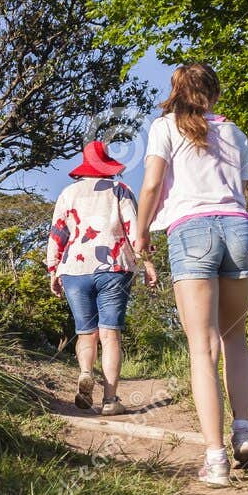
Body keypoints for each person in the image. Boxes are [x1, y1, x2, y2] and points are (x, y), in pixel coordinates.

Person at [131, 63, 248, 486]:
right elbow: (239, 191)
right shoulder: (235, 133)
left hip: (193, 229)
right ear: (215, 94)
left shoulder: (164, 127)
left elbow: (151, 185)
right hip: (239, 228)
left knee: (202, 348)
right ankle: (243, 430)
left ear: (176, 92)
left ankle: (216, 460)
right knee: (234, 338)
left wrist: (141, 231)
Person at [46, 139, 158, 415]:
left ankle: (85, 372)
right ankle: (110, 401)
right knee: (110, 335)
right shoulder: (119, 190)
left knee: (86, 334)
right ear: (107, 164)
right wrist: (148, 263)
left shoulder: (68, 194)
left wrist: (53, 269)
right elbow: (134, 229)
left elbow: (57, 233)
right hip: (114, 267)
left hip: (74, 269)